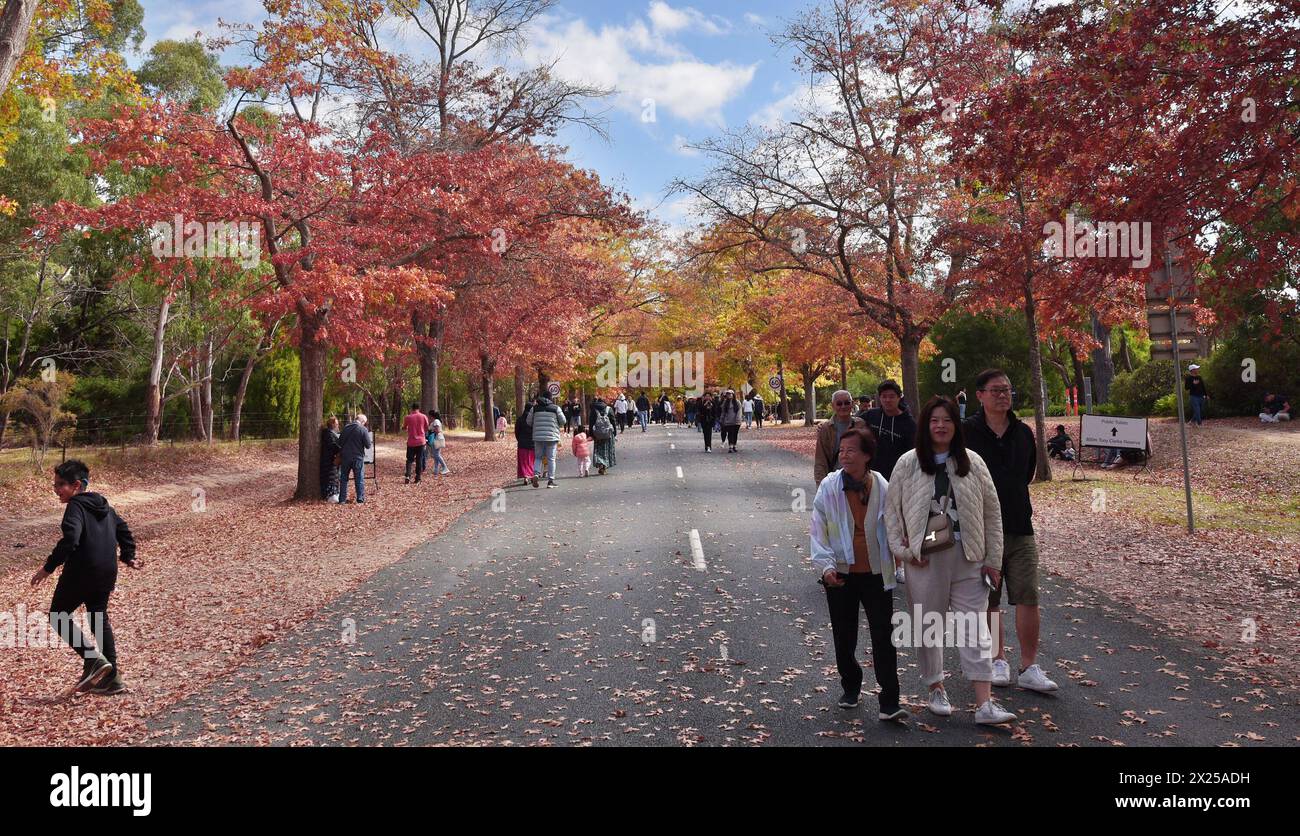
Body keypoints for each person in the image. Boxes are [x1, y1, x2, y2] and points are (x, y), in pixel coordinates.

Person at [885, 396, 1016, 725]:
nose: (940, 425)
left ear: (955, 426)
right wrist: (905, 552)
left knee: (974, 627)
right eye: (934, 420)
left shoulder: (972, 462)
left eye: (946, 420)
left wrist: (993, 561)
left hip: (969, 556)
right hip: (926, 559)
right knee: (930, 625)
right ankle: (936, 686)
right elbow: (892, 514)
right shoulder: (908, 464)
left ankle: (984, 703)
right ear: (925, 426)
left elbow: (993, 515)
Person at [963, 369, 1057, 694]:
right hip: (983, 530)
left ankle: (1029, 666)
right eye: (995, 390)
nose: (1002, 395)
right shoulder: (967, 433)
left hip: (1020, 525)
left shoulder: (1023, 433)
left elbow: (1027, 473)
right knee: (989, 599)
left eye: (1007, 389)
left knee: (1028, 596)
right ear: (980, 395)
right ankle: (997, 659)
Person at [811, 429, 907, 720]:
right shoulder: (829, 487)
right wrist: (826, 567)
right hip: (840, 574)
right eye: (841, 450)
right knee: (844, 635)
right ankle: (850, 686)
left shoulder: (882, 485)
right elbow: (819, 528)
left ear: (867, 455)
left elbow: (895, 525)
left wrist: (903, 558)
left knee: (883, 636)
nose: (844, 455)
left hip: (876, 573)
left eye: (851, 450)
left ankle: (889, 701)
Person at [30, 459, 139, 695]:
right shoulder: (105, 508)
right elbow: (123, 529)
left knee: (58, 615)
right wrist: (128, 555)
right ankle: (113, 679)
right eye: (54, 485)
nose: (56, 490)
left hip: (81, 571)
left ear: (77, 485)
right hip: (106, 571)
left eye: (61, 485)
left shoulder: (75, 507)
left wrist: (47, 568)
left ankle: (94, 660)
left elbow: (71, 539)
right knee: (98, 619)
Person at [863, 380, 917, 479]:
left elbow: (912, 453)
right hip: (871, 475)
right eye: (884, 396)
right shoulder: (870, 415)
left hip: (898, 476)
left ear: (899, 397)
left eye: (892, 396)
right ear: (880, 398)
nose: (887, 400)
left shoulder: (909, 424)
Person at [815, 389, 867, 485]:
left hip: (858, 480)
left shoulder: (860, 424)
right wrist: (821, 486)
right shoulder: (826, 428)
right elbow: (820, 460)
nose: (843, 406)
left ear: (851, 404)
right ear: (833, 405)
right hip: (835, 481)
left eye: (846, 403)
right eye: (839, 403)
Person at [529, 394, 565, 488]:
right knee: (551, 459)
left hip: (538, 437)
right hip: (551, 437)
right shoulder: (555, 408)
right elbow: (563, 421)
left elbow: (528, 421)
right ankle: (550, 481)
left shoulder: (534, 409)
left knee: (538, 457)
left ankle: (536, 474)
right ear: (550, 398)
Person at [337, 413, 371, 503]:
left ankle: (342, 499)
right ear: (362, 421)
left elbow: (339, 442)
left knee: (344, 478)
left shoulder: (346, 428)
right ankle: (360, 498)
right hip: (358, 457)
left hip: (345, 457)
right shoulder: (363, 429)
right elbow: (368, 445)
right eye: (365, 423)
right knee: (359, 478)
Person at [403, 402, 430, 484]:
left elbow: (404, 427)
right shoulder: (423, 416)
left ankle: (407, 475)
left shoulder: (408, 417)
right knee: (419, 460)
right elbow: (426, 428)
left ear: (412, 408)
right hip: (421, 442)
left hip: (411, 442)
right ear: (419, 408)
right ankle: (418, 478)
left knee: (409, 460)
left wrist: (407, 429)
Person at [591, 397, 617, 474]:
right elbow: (613, 421)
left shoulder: (594, 410)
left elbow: (591, 422)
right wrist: (614, 432)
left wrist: (591, 434)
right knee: (606, 449)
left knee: (598, 450)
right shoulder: (609, 409)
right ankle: (604, 467)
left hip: (597, 434)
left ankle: (600, 465)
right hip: (608, 433)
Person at [319, 416, 341, 502]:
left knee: (335, 477)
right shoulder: (328, 434)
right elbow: (332, 446)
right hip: (328, 460)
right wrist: (341, 449)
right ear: (332, 424)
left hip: (332, 460)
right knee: (330, 478)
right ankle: (331, 496)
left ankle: (335, 494)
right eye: (336, 424)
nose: (338, 426)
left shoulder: (331, 433)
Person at [515, 403, 536, 485]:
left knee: (523, 461)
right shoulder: (533, 420)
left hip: (522, 443)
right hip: (532, 443)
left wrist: (519, 439)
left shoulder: (519, 419)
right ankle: (531, 475)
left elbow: (517, 432)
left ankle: (525, 477)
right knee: (531, 461)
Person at [427, 410, 450, 475]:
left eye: (429, 416)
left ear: (431, 416)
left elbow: (437, 430)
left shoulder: (436, 421)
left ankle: (445, 467)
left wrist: (431, 431)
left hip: (438, 438)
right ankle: (436, 470)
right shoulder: (434, 421)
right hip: (437, 439)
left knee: (436, 455)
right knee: (436, 455)